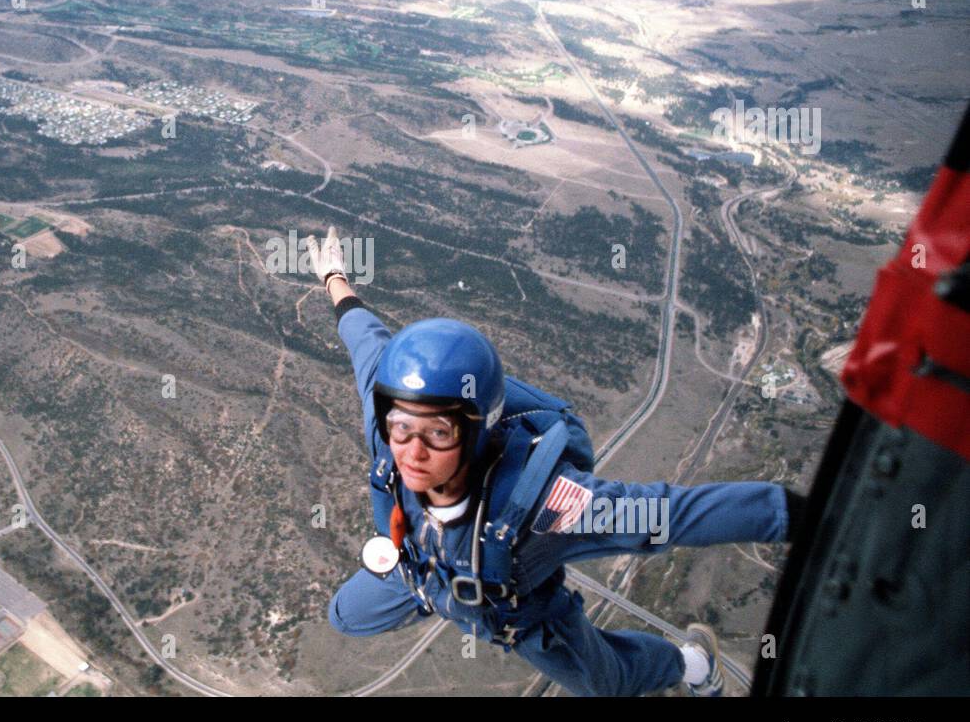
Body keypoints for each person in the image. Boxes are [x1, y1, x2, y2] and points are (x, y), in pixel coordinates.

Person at [305, 226, 808, 697]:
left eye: (439, 432)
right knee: (345, 617)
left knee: (605, 685)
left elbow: (672, 516)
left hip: (520, 616)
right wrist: (336, 280)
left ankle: (693, 664)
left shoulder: (548, 508)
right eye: (401, 426)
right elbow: (367, 344)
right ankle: (435, 592)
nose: (412, 452)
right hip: (421, 573)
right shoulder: (387, 429)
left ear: (479, 432)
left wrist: (809, 517)